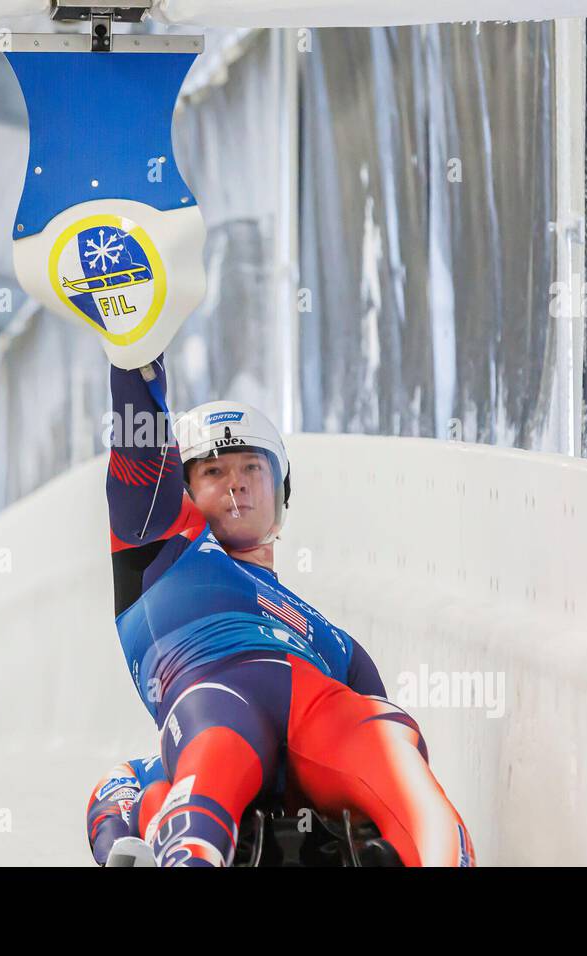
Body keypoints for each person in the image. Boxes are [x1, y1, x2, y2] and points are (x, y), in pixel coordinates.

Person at [89, 355, 474, 867]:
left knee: (390, 734)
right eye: (214, 470)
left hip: (315, 733)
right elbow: (139, 439)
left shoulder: (333, 642)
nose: (237, 483)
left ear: (280, 490)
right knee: (160, 768)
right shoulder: (163, 550)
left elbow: (369, 727)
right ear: (181, 490)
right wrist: (135, 350)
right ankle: (188, 848)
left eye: (252, 467)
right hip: (212, 708)